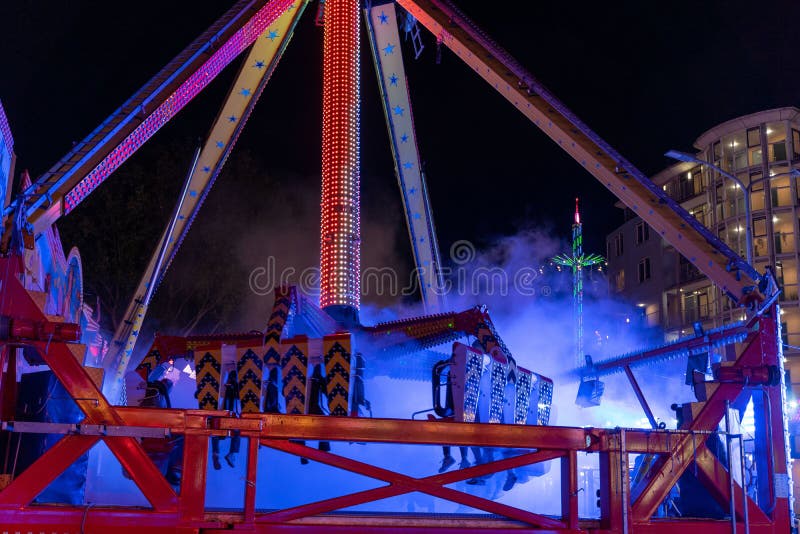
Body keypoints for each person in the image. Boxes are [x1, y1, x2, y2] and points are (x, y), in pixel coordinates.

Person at [212, 370, 241, 469]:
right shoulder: (234, 387)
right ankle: (231, 453)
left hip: (219, 414)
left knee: (215, 433)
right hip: (229, 415)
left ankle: (215, 453)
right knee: (237, 432)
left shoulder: (223, 386)